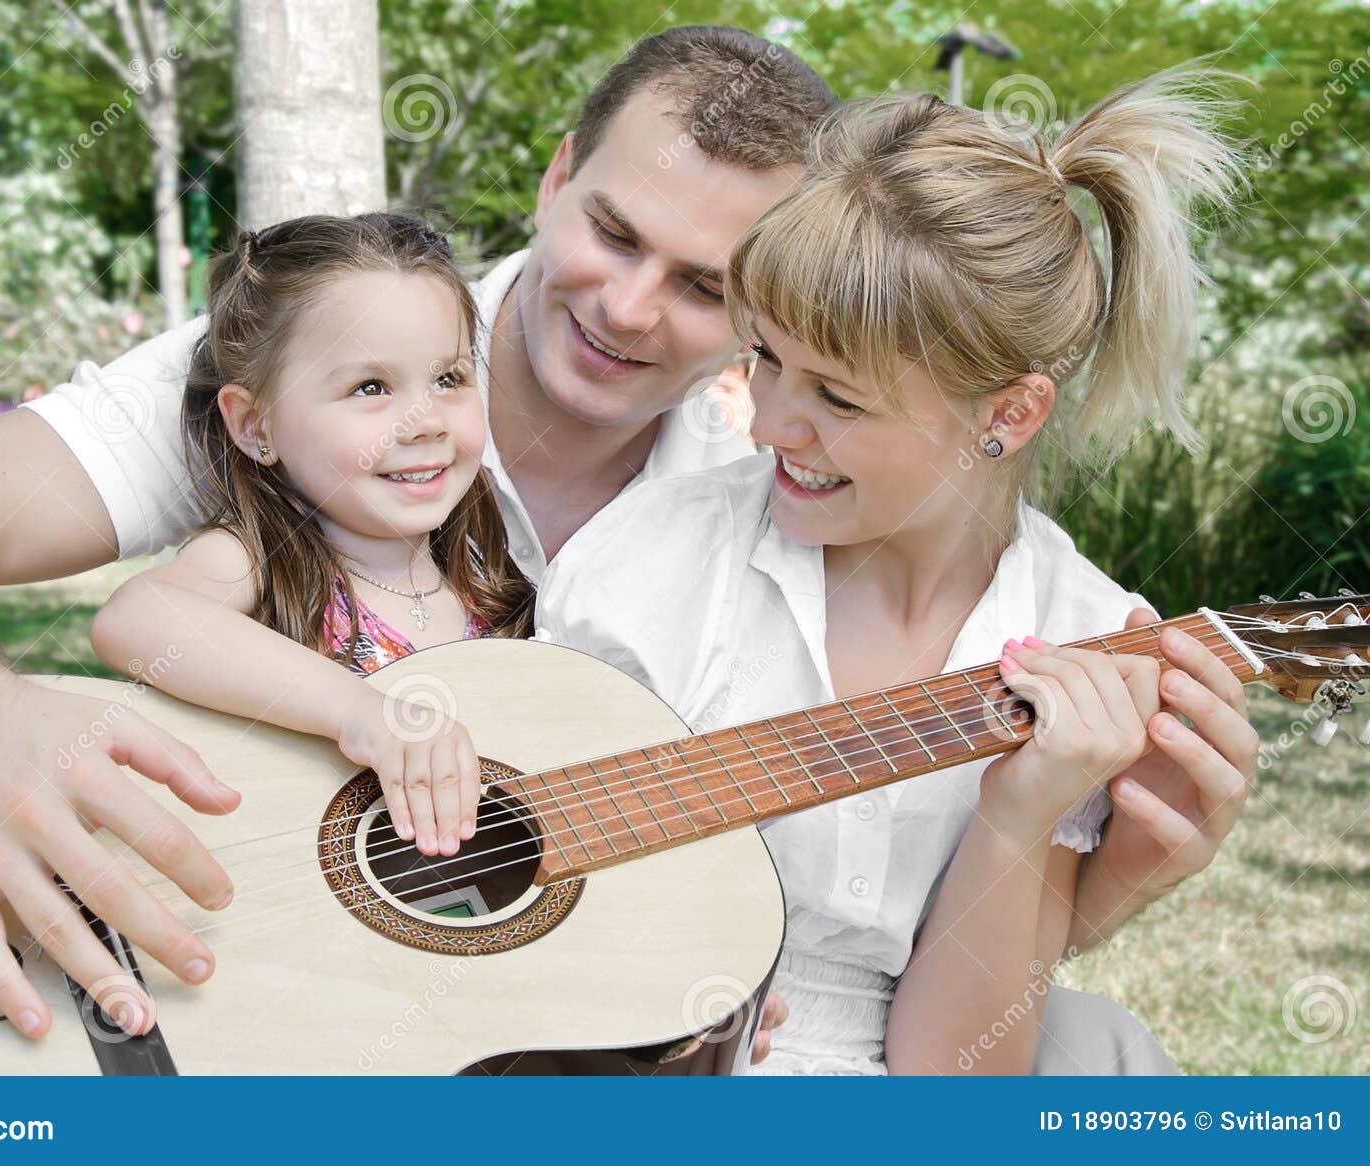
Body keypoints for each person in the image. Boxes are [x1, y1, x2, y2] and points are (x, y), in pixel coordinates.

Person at [0, 28, 1251, 1066]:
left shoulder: (771, 465)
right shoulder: (337, 361)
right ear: (554, 177)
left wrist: (1069, 878)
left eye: (704, 286)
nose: (623, 306)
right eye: (611, 229)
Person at [532, 66, 1259, 1074]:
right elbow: (520, 922)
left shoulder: (1083, 631)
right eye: (766, 357)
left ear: (1007, 413)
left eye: (837, 396)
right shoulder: (654, 561)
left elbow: (951, 1083)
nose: (775, 421)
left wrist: (1023, 806)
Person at [89, 212, 534, 889]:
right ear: (256, 424)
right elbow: (136, 620)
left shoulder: (488, 576)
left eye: (448, 378)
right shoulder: (268, 558)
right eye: (370, 388)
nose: (427, 422)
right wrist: (359, 712)